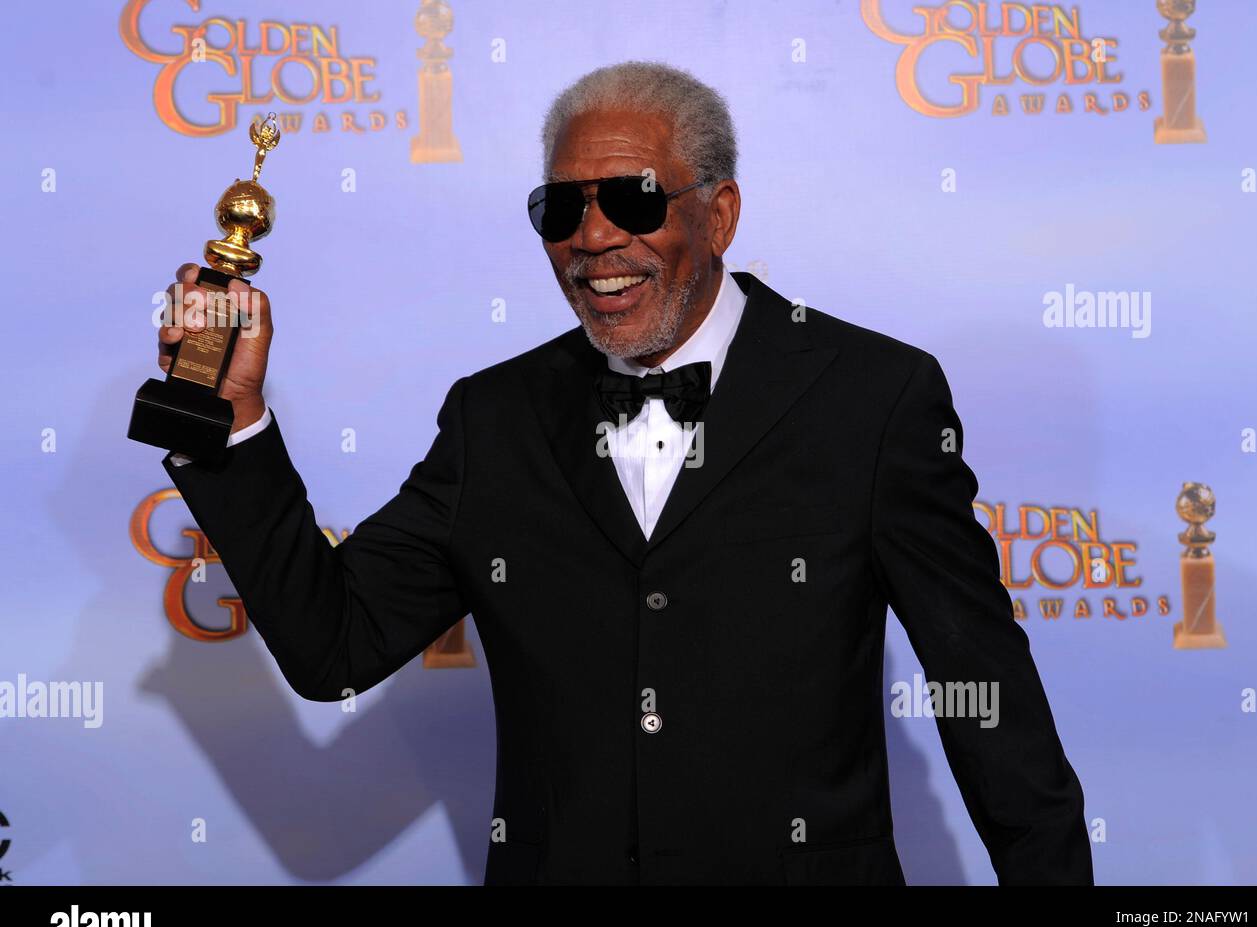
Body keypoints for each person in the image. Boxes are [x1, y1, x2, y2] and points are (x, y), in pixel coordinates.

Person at [155, 61, 1091, 885]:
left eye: (635, 199)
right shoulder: (495, 417)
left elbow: (988, 696)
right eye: (562, 208)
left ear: (720, 213)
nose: (594, 238)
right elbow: (336, 647)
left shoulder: (874, 398)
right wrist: (232, 424)